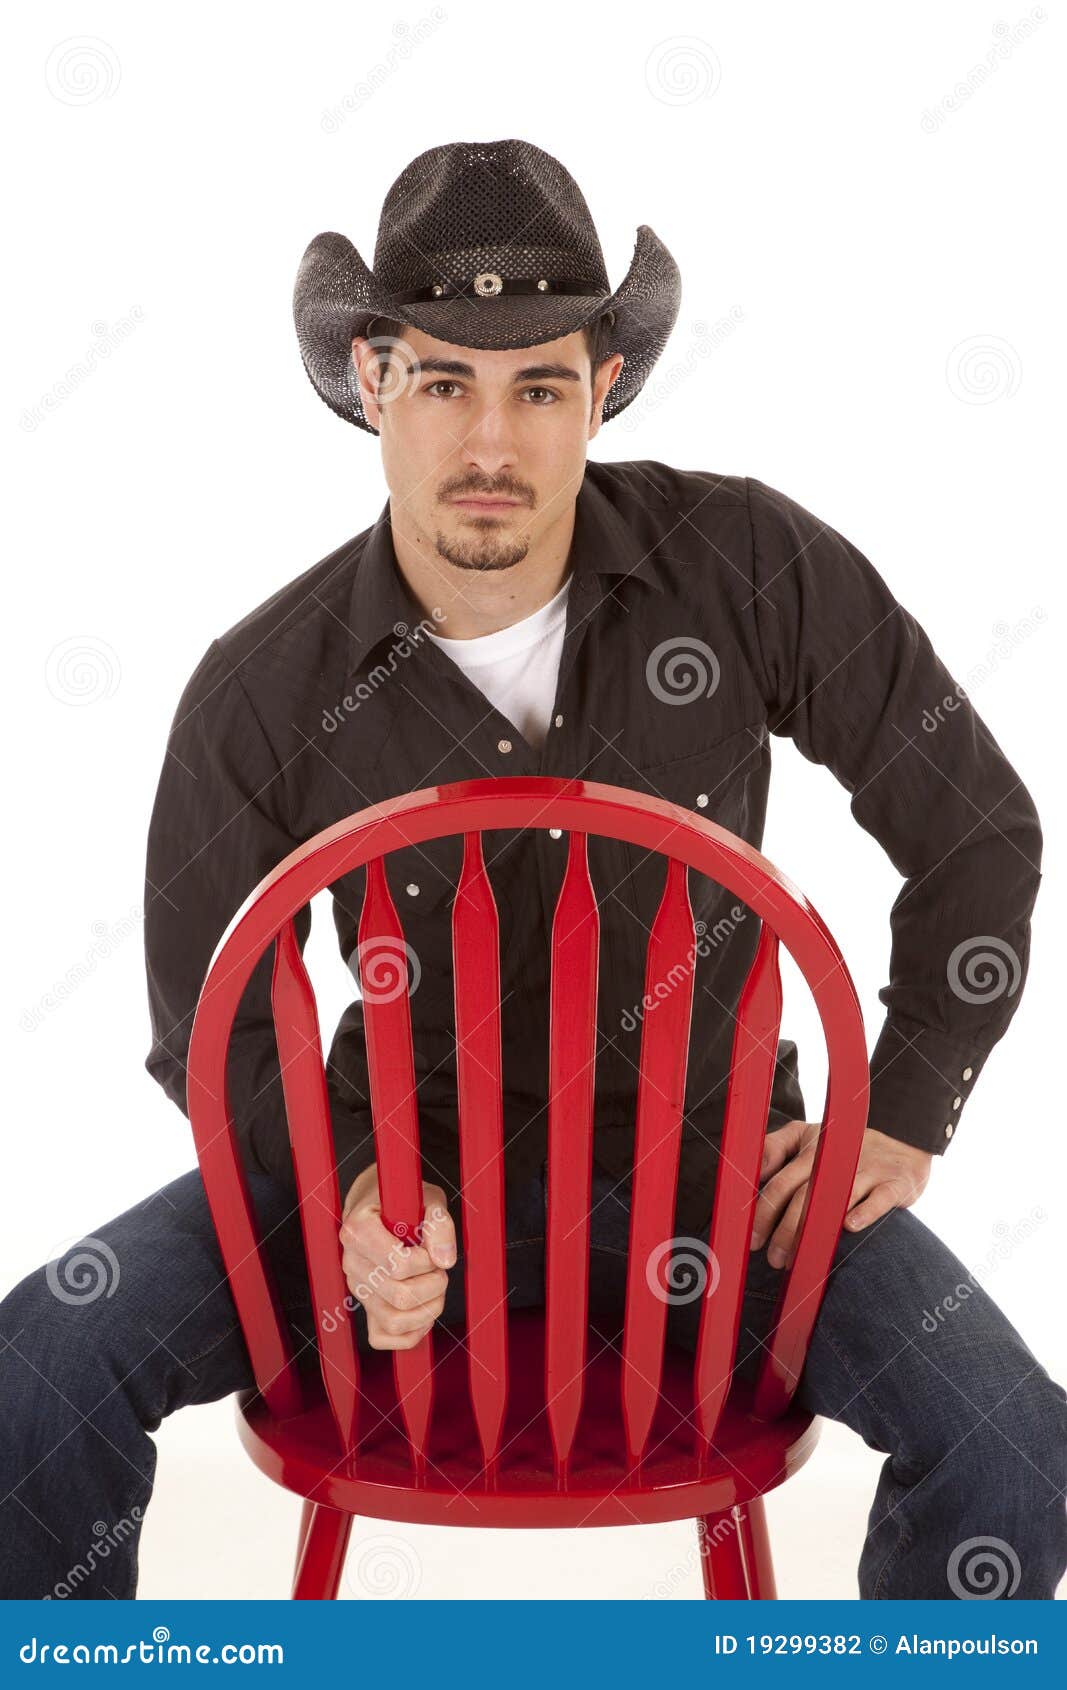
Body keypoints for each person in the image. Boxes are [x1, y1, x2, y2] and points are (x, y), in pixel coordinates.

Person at [2, 138, 1064, 1602]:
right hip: (397, 1195)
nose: (489, 444)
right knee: (33, 1372)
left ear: (604, 388)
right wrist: (360, 1191)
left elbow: (979, 825)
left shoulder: (747, 562)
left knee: (1018, 1450)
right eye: (444, 382)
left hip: (717, 1197)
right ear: (372, 384)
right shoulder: (264, 681)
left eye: (538, 386)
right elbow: (209, 1025)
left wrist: (915, 1091)